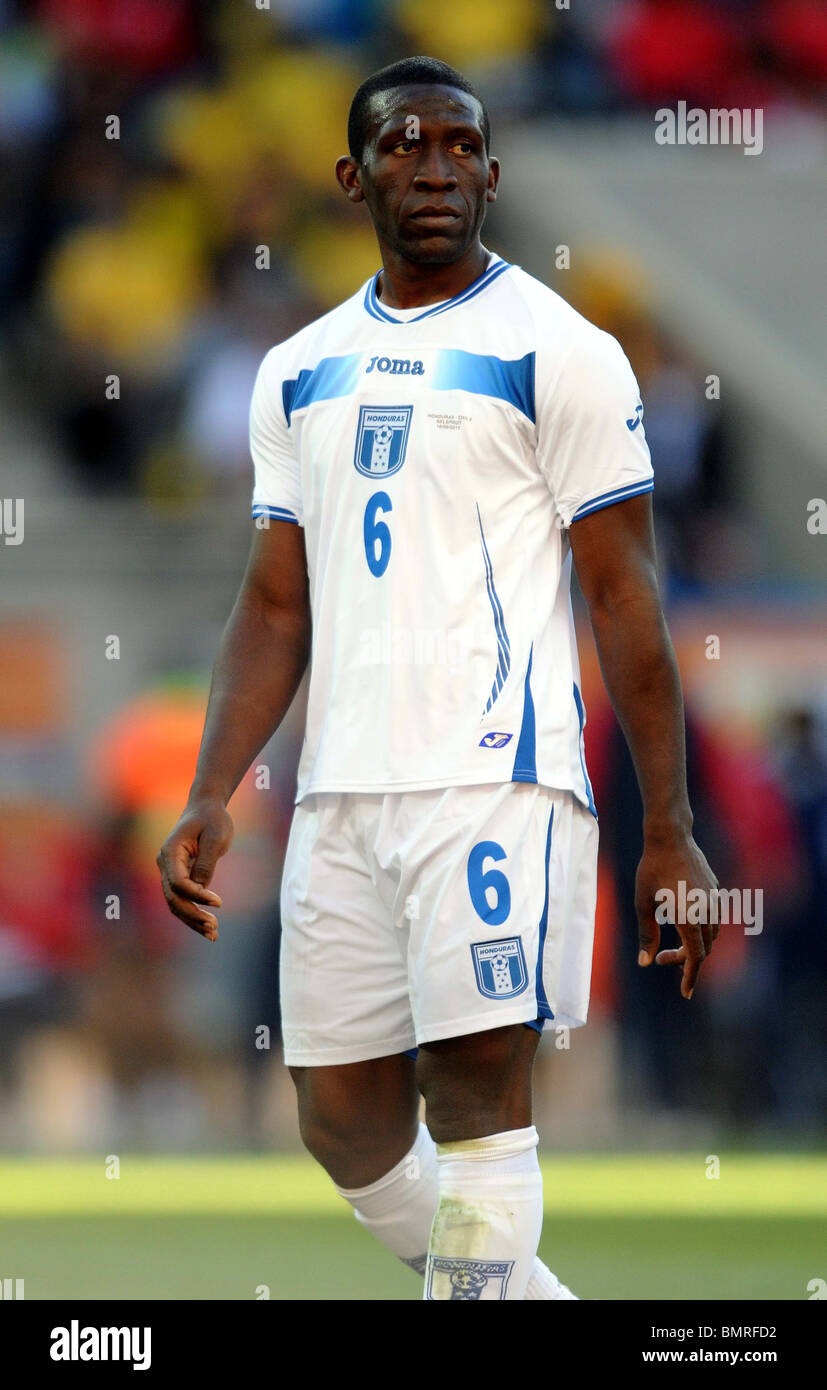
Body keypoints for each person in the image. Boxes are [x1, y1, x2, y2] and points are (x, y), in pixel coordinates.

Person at [157, 55, 719, 1301]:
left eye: (460, 147)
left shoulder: (558, 350)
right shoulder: (296, 368)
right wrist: (211, 788)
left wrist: (667, 828)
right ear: (351, 175)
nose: (435, 168)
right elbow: (275, 603)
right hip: (341, 792)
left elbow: (625, 597)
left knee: (472, 1100)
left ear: (493, 175)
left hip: (494, 780)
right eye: (405, 145)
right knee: (341, 1121)